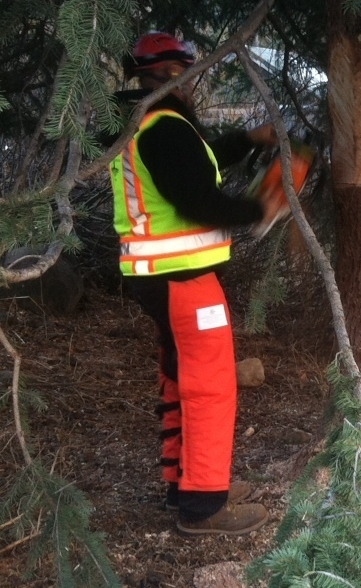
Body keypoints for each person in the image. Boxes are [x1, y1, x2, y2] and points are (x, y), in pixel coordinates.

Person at [109, 32, 278, 536]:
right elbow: (196, 199)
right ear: (168, 75)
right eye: (187, 74)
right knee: (209, 386)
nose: (193, 85)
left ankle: (183, 481)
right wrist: (260, 209)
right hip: (184, 279)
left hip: (160, 279)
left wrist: (249, 141)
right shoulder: (163, 129)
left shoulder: (145, 123)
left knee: (179, 378)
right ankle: (204, 504)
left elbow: (196, 161)